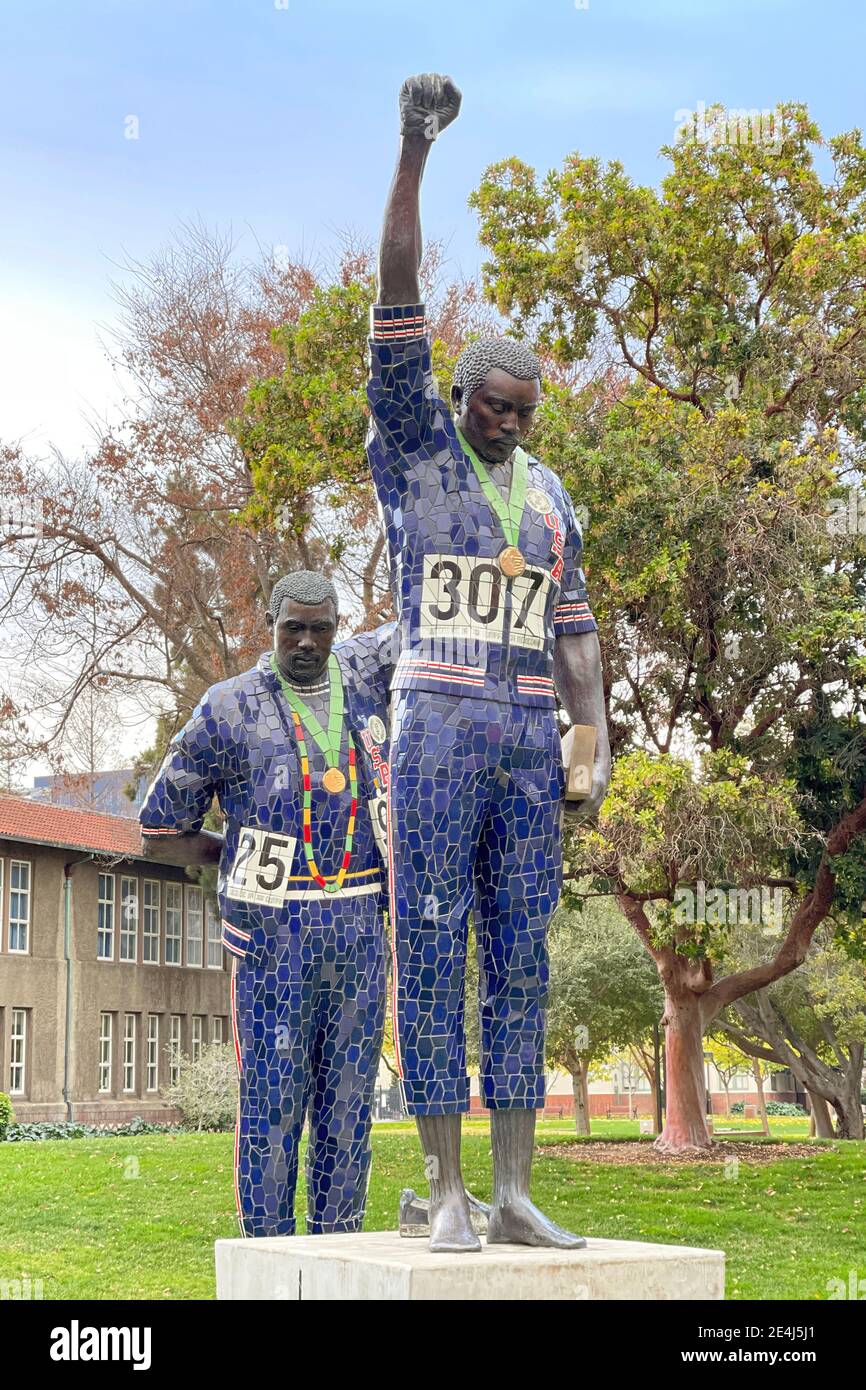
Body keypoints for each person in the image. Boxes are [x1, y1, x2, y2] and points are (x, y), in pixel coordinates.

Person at [366, 74, 611, 1252]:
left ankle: (511, 1190)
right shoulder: (415, 452)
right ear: (457, 398)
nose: (509, 425)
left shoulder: (549, 496)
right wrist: (413, 153)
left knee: (522, 951)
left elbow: (576, 630)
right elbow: (397, 292)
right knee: (431, 942)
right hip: (434, 726)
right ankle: (444, 1188)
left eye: (524, 412)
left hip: (523, 741)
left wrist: (590, 738)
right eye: (493, 408)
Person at [139, 570, 395, 1236]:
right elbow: (159, 830)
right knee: (273, 1099)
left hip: (361, 925)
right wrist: (238, 857)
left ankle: (340, 1249)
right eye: (293, 629)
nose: (307, 642)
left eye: (321, 629)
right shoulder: (228, 707)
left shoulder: (366, 681)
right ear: (270, 626)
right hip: (273, 932)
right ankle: (267, 1252)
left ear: (337, 629)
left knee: (349, 1104)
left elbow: (428, 628)